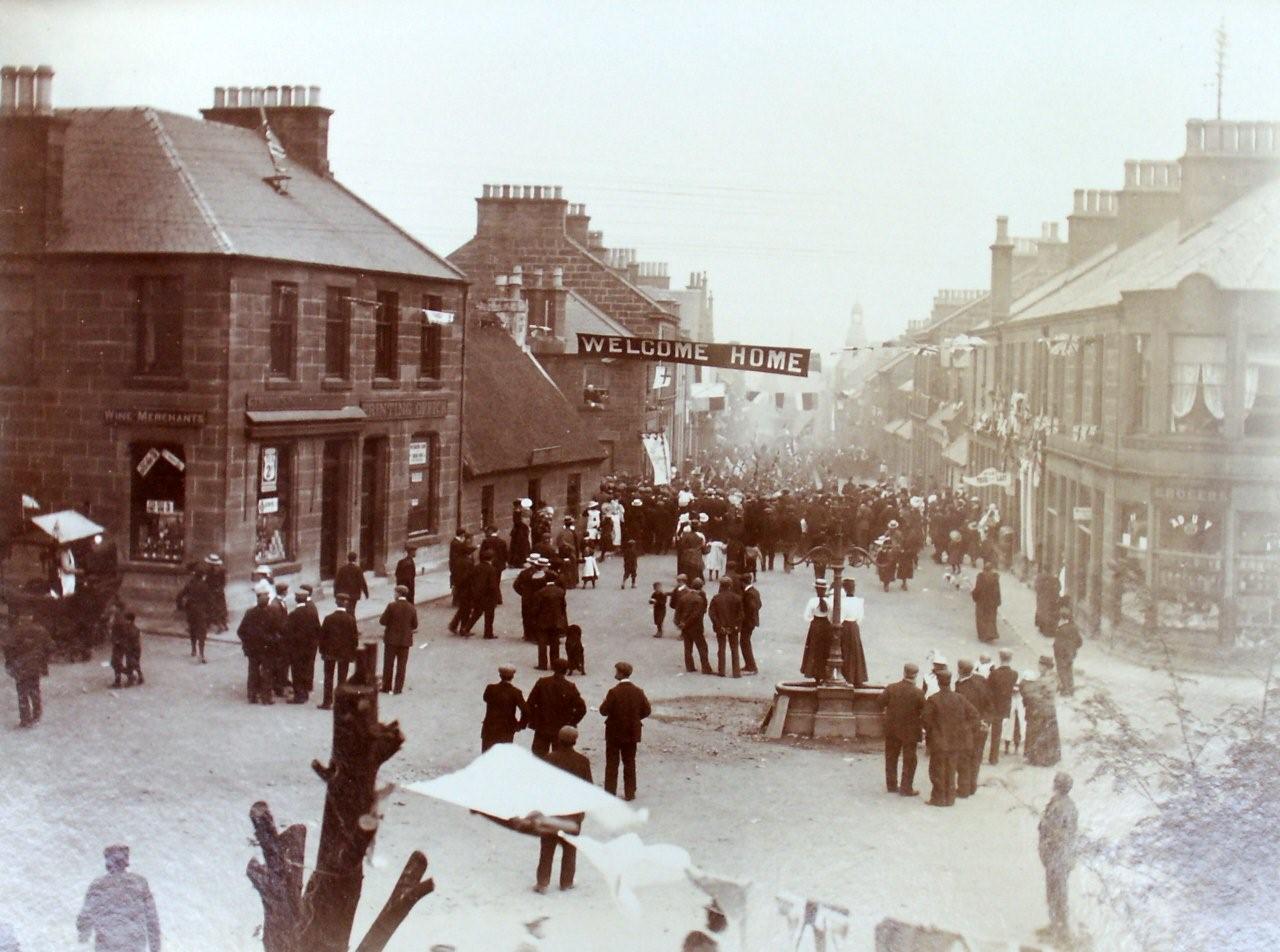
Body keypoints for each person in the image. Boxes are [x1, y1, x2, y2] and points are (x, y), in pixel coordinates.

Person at [534, 726, 593, 893]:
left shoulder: (548, 759)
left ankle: (542, 882)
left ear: (559, 739)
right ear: (575, 741)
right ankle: (566, 882)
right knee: (570, 849)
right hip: (573, 814)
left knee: (547, 848)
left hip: (552, 812)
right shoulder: (583, 762)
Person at [76, 844, 160, 952]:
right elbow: (151, 917)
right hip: (133, 943)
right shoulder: (139, 883)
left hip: (106, 943)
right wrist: (155, 946)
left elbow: (86, 913)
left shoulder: (98, 885)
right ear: (126, 861)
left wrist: (83, 935)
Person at [922, 670, 979, 807]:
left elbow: (925, 720)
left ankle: (938, 798)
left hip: (939, 741)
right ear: (950, 681)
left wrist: (932, 732)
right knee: (951, 769)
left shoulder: (933, 699)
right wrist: (964, 728)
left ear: (938, 682)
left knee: (937, 770)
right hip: (955, 741)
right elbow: (974, 715)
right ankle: (950, 798)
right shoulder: (960, 698)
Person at [599, 661, 651, 801]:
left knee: (612, 763)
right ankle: (630, 792)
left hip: (614, 733)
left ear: (621, 673)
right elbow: (647, 711)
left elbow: (603, 711)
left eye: (616, 671)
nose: (615, 674)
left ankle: (610, 792)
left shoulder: (613, 692)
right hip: (632, 733)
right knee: (629, 762)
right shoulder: (638, 691)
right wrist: (634, 718)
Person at [1038, 772, 1079, 945]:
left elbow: (1057, 832)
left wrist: (1045, 825)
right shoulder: (1061, 803)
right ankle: (1054, 925)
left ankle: (1061, 932)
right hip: (1056, 855)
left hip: (1058, 855)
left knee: (1057, 893)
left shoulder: (1062, 806)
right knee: (1053, 892)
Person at [525, 658, 587, 758]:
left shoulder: (542, 683)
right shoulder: (570, 687)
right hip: (561, 729)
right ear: (566, 670)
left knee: (538, 759)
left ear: (553, 668)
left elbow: (529, 704)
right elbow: (582, 709)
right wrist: (571, 722)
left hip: (542, 726)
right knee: (559, 761)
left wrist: (532, 720)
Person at [878, 663, 924, 796]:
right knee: (910, 759)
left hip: (892, 729)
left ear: (904, 672)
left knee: (891, 757)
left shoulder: (892, 688)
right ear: (916, 675)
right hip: (910, 731)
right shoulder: (918, 693)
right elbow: (924, 710)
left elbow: (880, 702)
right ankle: (906, 787)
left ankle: (891, 785)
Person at [953, 659, 993, 798]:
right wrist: (986, 721)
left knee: (964, 758)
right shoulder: (981, 680)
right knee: (976, 757)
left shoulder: (961, 687)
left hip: (968, 728)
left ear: (960, 670)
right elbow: (989, 703)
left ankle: (963, 789)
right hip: (982, 726)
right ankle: (972, 786)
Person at [4, 611, 49, 727]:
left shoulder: (15, 632)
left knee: (22, 693)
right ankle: (37, 715)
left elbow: (7, 648)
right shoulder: (40, 631)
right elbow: (50, 646)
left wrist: (10, 662)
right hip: (35, 665)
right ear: (32, 617)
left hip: (21, 666)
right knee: (35, 691)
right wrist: (42, 659)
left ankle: (25, 718)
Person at [317, 594, 358, 709]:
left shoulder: (328, 618)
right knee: (342, 679)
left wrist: (322, 651)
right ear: (346, 603)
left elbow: (322, 637)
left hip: (329, 653)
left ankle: (327, 702)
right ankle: (340, 703)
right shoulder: (351, 619)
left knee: (328, 677)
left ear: (336, 603)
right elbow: (354, 639)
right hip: (344, 654)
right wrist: (352, 654)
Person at [1021, 657, 1062, 767]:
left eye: (1040, 665)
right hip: (1050, 709)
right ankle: (1051, 757)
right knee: (1049, 733)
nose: (1038, 668)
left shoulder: (1044, 680)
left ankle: (1038, 758)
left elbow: (1030, 692)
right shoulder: (1055, 677)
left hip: (1040, 710)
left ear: (1044, 666)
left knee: (1037, 732)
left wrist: (1024, 684)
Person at [237, 591, 275, 704]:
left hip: (252, 649)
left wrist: (246, 643)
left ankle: (252, 696)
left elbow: (240, 631)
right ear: (267, 603)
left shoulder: (249, 613)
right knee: (267, 672)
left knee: (253, 671)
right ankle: (266, 698)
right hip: (266, 648)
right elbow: (276, 630)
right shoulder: (271, 614)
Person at [285, 585, 321, 704]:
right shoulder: (311, 613)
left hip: (296, 648)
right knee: (306, 669)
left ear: (296, 599)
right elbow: (317, 629)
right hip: (309, 647)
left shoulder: (293, 614)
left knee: (297, 672)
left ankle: (299, 696)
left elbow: (288, 633)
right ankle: (304, 693)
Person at [379, 585, 418, 694]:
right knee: (401, 665)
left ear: (399, 594)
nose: (394, 595)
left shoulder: (391, 606)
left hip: (391, 640)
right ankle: (398, 688)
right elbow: (415, 625)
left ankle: (386, 687)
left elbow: (382, 621)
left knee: (388, 664)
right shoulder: (411, 607)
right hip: (405, 641)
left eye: (395, 593)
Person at [481, 664, 527, 751]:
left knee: (487, 755)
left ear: (500, 675)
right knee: (503, 756)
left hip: (490, 727)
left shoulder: (490, 688)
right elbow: (526, 711)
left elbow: (485, 698)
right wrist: (520, 725)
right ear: (512, 676)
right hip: (506, 729)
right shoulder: (516, 692)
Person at [986, 649, 1019, 764]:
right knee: (997, 732)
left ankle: (981, 754)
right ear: (1010, 659)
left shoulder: (994, 673)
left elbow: (988, 689)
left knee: (986, 729)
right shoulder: (1014, 674)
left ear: (1000, 658)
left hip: (992, 705)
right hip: (1004, 706)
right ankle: (994, 758)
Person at [530, 573, 568, 671]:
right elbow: (563, 606)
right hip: (556, 621)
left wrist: (534, 619)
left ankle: (542, 664)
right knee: (554, 642)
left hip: (543, 621)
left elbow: (535, 609)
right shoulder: (560, 592)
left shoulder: (540, 592)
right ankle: (555, 663)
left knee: (542, 643)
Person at [675, 578, 712, 675]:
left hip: (685, 628)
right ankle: (706, 667)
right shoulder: (699, 599)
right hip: (696, 627)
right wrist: (686, 623)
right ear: (700, 587)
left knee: (688, 647)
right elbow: (696, 615)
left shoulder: (684, 597)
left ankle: (690, 667)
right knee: (702, 647)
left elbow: (677, 612)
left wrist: (679, 623)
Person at [708, 577, 743, 678]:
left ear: (720, 585)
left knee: (721, 648)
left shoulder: (716, 598)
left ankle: (721, 671)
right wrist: (735, 626)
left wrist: (719, 625)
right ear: (730, 585)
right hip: (733, 627)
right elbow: (741, 615)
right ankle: (736, 672)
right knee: (734, 649)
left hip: (721, 627)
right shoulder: (737, 598)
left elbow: (712, 614)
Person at [461, 551, 502, 638]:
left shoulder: (477, 567)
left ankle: (466, 629)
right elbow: (493, 585)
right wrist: (496, 597)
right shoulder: (492, 569)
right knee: (489, 616)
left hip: (477, 595)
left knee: (476, 613)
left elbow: (468, 578)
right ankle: (488, 633)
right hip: (488, 596)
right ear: (491, 559)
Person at [800, 580, 834, 684]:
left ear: (816, 590)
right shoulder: (829, 601)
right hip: (826, 626)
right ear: (825, 590)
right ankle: (824, 673)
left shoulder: (812, 601)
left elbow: (806, 616)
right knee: (825, 649)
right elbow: (832, 616)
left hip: (815, 626)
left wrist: (813, 620)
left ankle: (815, 673)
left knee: (814, 649)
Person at [837, 578, 869, 686]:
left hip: (844, 626)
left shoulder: (842, 601)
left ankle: (845, 676)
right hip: (854, 627)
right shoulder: (859, 601)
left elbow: (840, 618)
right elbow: (860, 617)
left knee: (843, 651)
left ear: (844, 589)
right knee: (855, 652)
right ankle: (855, 677)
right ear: (854, 589)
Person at [175, 565, 210, 662]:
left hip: (190, 610)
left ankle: (193, 649)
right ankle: (201, 654)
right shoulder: (205, 586)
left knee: (193, 629)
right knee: (202, 632)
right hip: (201, 610)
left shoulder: (189, 584)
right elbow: (209, 600)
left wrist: (180, 607)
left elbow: (179, 596)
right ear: (202, 575)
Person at [1052, 606, 1083, 696]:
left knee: (1062, 671)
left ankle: (1065, 690)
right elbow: (1080, 642)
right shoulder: (1074, 628)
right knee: (1069, 670)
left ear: (1062, 618)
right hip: (1071, 654)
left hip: (1061, 654)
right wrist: (1073, 649)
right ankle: (1070, 689)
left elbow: (1058, 643)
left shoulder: (1061, 629)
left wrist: (1057, 650)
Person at [110, 610, 144, 688]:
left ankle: (129, 677)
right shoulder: (132, 628)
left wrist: (118, 642)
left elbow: (127, 639)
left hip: (129, 648)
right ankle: (136, 677)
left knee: (124, 663)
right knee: (132, 663)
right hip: (131, 648)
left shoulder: (129, 628)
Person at [971, 560, 1002, 643]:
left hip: (982, 601)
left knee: (981, 618)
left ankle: (983, 635)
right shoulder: (995, 578)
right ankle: (991, 634)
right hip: (992, 602)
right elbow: (997, 591)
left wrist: (974, 596)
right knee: (991, 618)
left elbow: (978, 589)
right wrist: (998, 601)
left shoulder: (981, 577)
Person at [739, 574, 762, 675]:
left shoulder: (748, 593)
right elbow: (759, 604)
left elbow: (751, 607)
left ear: (743, 583)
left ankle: (751, 666)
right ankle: (749, 665)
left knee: (745, 643)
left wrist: (744, 616)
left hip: (748, 622)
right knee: (745, 642)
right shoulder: (755, 591)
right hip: (752, 621)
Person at [1034, 566, 1061, 636]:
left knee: (1041, 612)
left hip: (1041, 598)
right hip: (1050, 599)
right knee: (1048, 613)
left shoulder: (1039, 577)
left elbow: (1036, 587)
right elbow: (1058, 588)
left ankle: (1041, 628)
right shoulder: (1053, 579)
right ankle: (1048, 631)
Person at [204, 553, 228, 632]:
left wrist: (219, 589)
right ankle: (220, 624)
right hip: (214, 591)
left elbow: (223, 582)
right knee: (215, 608)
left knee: (216, 609)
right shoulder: (211, 571)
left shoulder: (220, 571)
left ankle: (221, 625)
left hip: (216, 592)